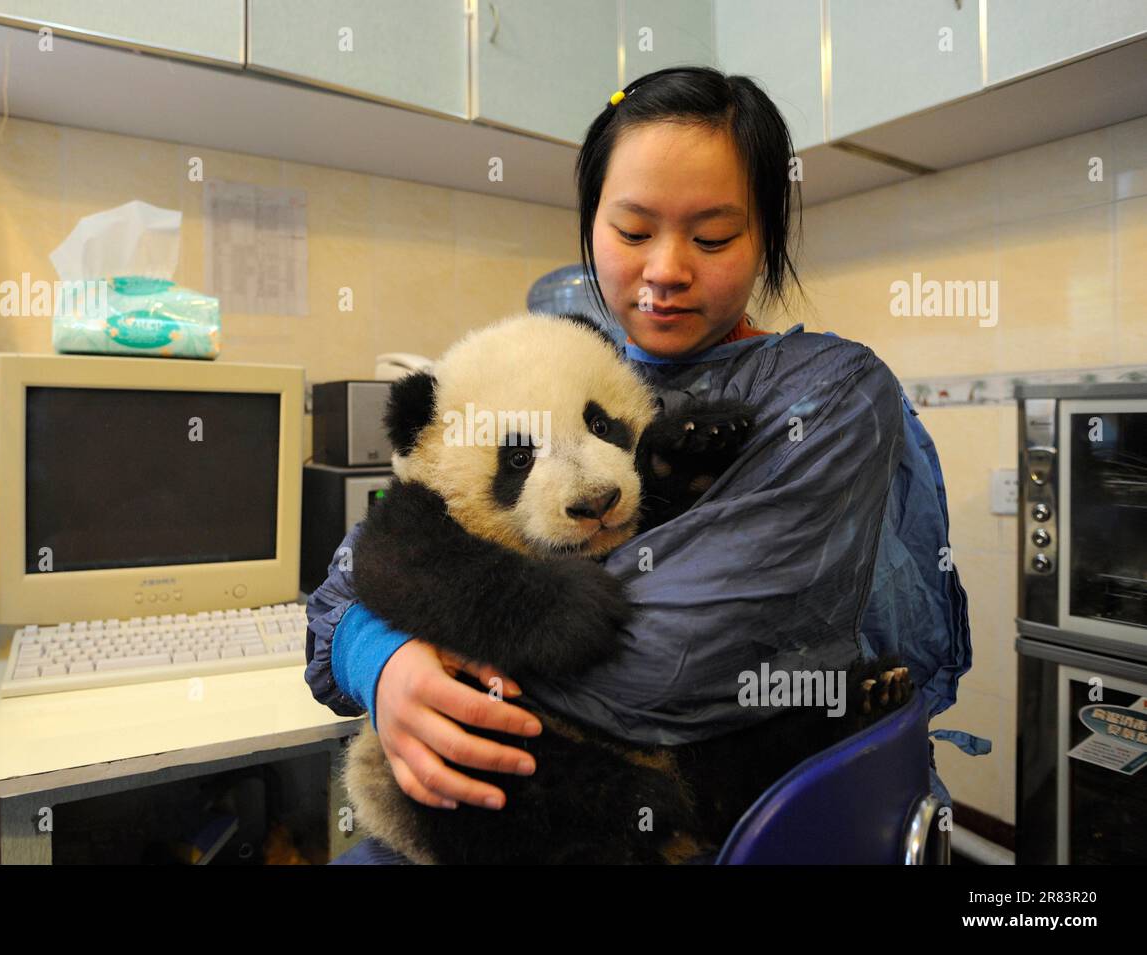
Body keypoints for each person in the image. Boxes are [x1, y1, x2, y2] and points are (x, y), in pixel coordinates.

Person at [306, 66, 988, 864]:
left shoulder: (827, 394)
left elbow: (674, 660)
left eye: (712, 237)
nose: (666, 269)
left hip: (746, 822)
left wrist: (453, 660)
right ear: (589, 223)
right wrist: (380, 660)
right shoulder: (566, 360)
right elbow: (348, 586)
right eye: (631, 232)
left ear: (767, 232)